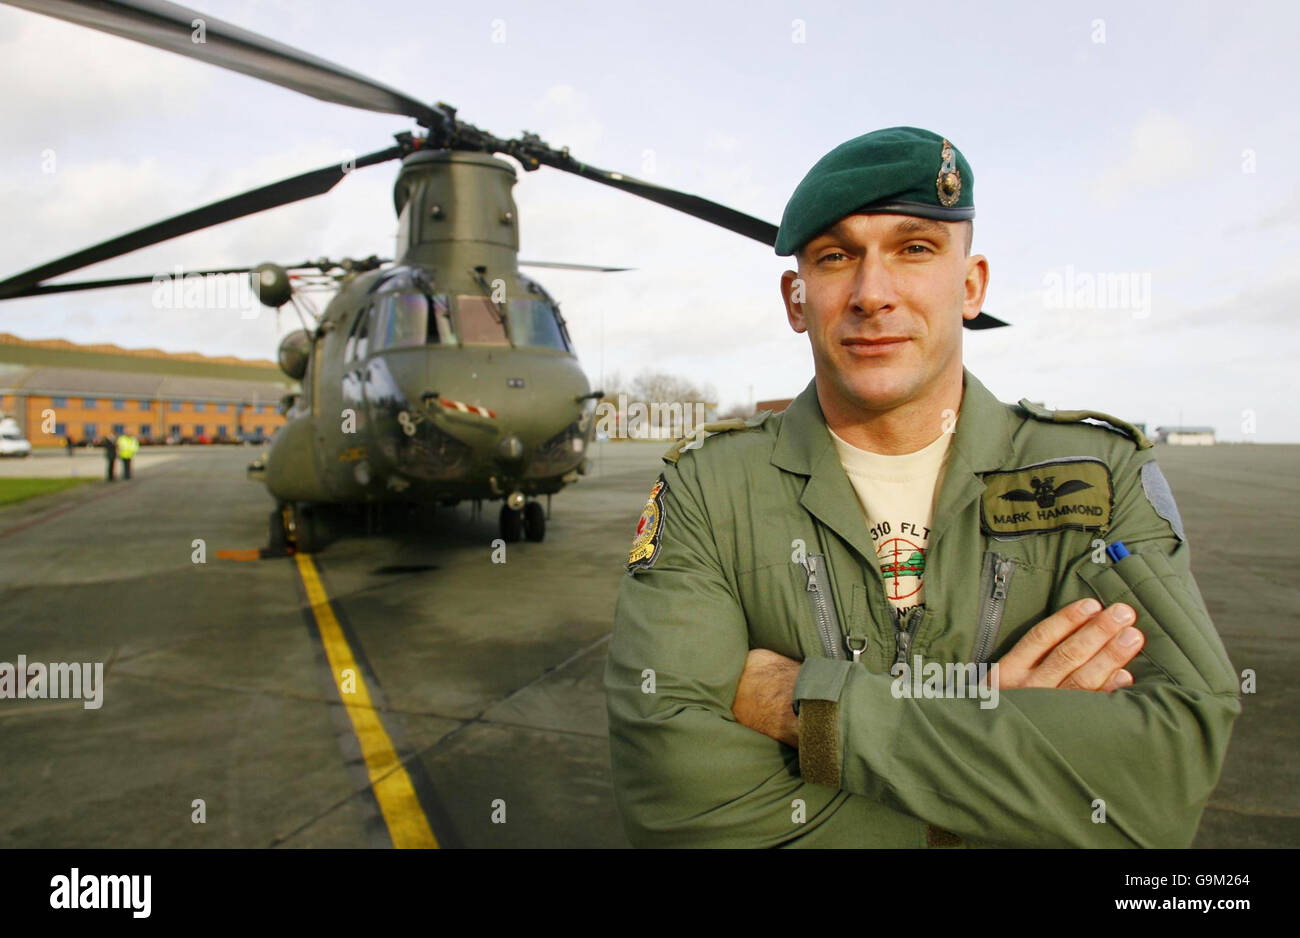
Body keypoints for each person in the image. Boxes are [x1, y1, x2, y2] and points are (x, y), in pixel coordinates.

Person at [604, 127, 1240, 848]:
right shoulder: (708, 487)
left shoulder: (1097, 474)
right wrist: (990, 790)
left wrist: (808, 712)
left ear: (970, 286)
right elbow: (680, 807)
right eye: (836, 256)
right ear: (795, 299)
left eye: (914, 248)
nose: (872, 294)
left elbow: (1164, 775)